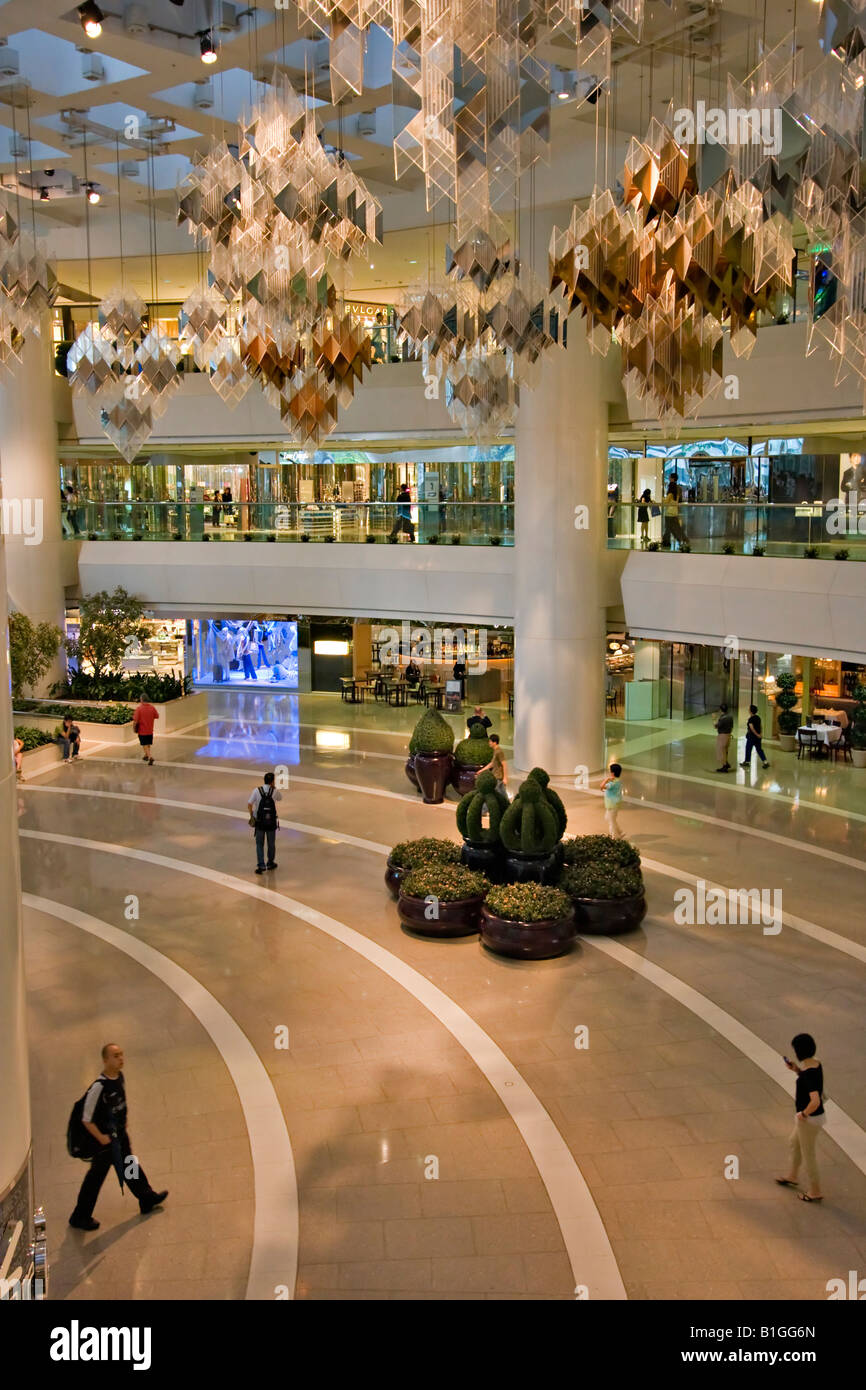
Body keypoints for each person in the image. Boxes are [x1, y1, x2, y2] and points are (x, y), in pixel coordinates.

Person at [68, 1043, 168, 1231]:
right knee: (95, 1178)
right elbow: (86, 1118)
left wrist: (124, 1121)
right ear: (105, 1060)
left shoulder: (119, 1077)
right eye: (115, 1055)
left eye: (121, 1054)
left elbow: (120, 1103)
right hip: (104, 1144)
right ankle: (80, 1216)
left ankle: (146, 1198)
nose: (120, 1058)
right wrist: (102, 1137)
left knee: (130, 1165)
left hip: (119, 1136)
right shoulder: (99, 1087)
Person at [776, 1033, 826, 1203]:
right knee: (793, 1143)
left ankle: (815, 1191)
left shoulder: (809, 1073)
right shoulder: (814, 1063)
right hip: (811, 1119)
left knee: (808, 1155)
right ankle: (792, 1175)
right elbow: (808, 1080)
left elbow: (815, 1100)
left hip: (809, 1120)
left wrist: (803, 1114)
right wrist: (796, 1070)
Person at [248, 771, 282, 874]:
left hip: (259, 822)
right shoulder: (274, 791)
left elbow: (249, 804)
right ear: (272, 782)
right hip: (271, 822)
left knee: (259, 844)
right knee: (271, 844)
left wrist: (252, 815)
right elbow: (280, 798)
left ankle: (261, 865)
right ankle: (270, 863)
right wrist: (274, 788)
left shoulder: (256, 790)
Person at [478, 733, 508, 802]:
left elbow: (504, 764)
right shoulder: (495, 751)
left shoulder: (499, 752)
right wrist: (481, 770)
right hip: (495, 776)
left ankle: (484, 809)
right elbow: (491, 764)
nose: (489, 743)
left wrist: (505, 778)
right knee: (501, 795)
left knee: (493, 794)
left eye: (490, 741)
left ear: (494, 742)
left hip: (498, 777)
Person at [741, 704, 770, 769]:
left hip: (751, 737)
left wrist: (756, 734)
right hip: (758, 737)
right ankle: (765, 761)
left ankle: (747, 762)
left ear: (751, 711)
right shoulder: (758, 718)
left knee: (748, 749)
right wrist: (760, 734)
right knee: (759, 749)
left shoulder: (750, 719)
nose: (748, 710)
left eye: (749, 709)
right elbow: (760, 726)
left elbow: (752, 728)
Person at [133, 697, 159, 766]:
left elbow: (135, 720)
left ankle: (150, 757)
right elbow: (157, 716)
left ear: (141, 700)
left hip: (142, 730)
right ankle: (146, 755)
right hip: (150, 730)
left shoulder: (139, 709)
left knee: (144, 744)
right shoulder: (152, 708)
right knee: (148, 744)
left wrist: (134, 728)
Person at [600, 762, 624, 838]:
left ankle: (615, 837)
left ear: (612, 773)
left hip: (611, 805)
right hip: (615, 804)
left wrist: (606, 780)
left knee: (611, 822)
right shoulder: (618, 781)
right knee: (609, 818)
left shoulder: (612, 783)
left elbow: (601, 786)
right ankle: (620, 832)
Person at [662, 476, 687, 549]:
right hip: (674, 512)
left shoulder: (670, 494)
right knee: (675, 528)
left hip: (669, 513)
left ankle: (668, 541)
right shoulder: (677, 493)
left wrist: (662, 499)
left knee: (669, 528)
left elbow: (666, 502)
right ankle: (682, 540)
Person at [714, 703, 734, 772]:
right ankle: (726, 763)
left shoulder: (722, 718)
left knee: (721, 751)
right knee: (725, 750)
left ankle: (724, 765)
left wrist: (714, 719)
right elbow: (732, 727)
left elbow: (716, 726)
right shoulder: (730, 717)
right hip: (728, 735)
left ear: (720, 710)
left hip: (722, 736)